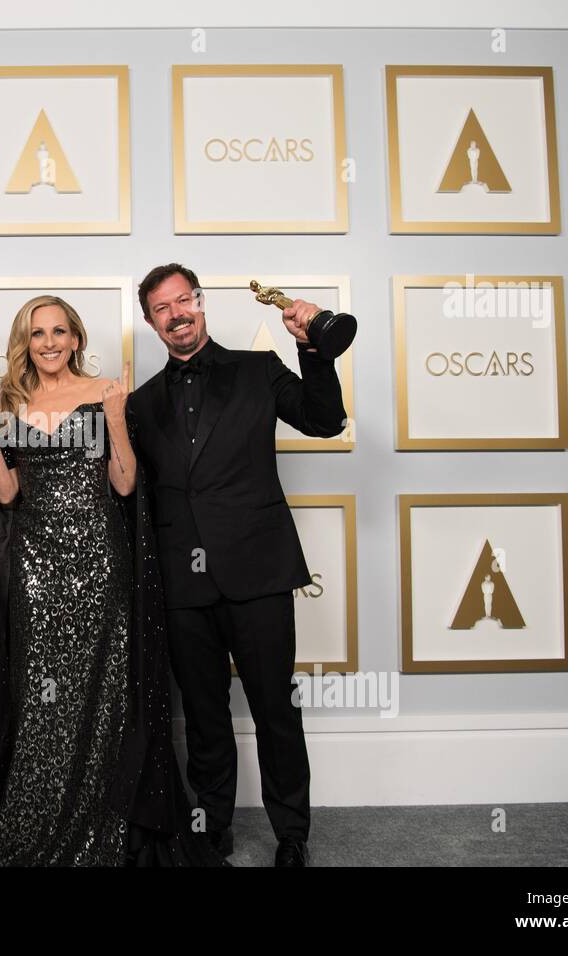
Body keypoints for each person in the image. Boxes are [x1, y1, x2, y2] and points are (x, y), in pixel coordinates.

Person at [0, 294, 224, 866]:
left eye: (60, 331)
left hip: (100, 564)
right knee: (41, 697)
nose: (50, 343)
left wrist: (114, 419)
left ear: (77, 339)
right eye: (38, 334)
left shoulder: (106, 392)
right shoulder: (11, 404)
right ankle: (40, 818)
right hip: (35, 568)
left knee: (104, 692)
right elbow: (4, 493)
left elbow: (128, 483)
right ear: (26, 343)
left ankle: (99, 821)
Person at [127, 263, 349, 867]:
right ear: (151, 322)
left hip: (258, 569)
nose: (177, 314)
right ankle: (212, 824)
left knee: (275, 706)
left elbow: (326, 421)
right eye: (162, 309)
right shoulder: (140, 405)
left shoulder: (259, 369)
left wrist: (312, 347)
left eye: (185, 301)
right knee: (202, 714)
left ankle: (292, 836)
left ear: (200, 304)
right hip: (182, 581)